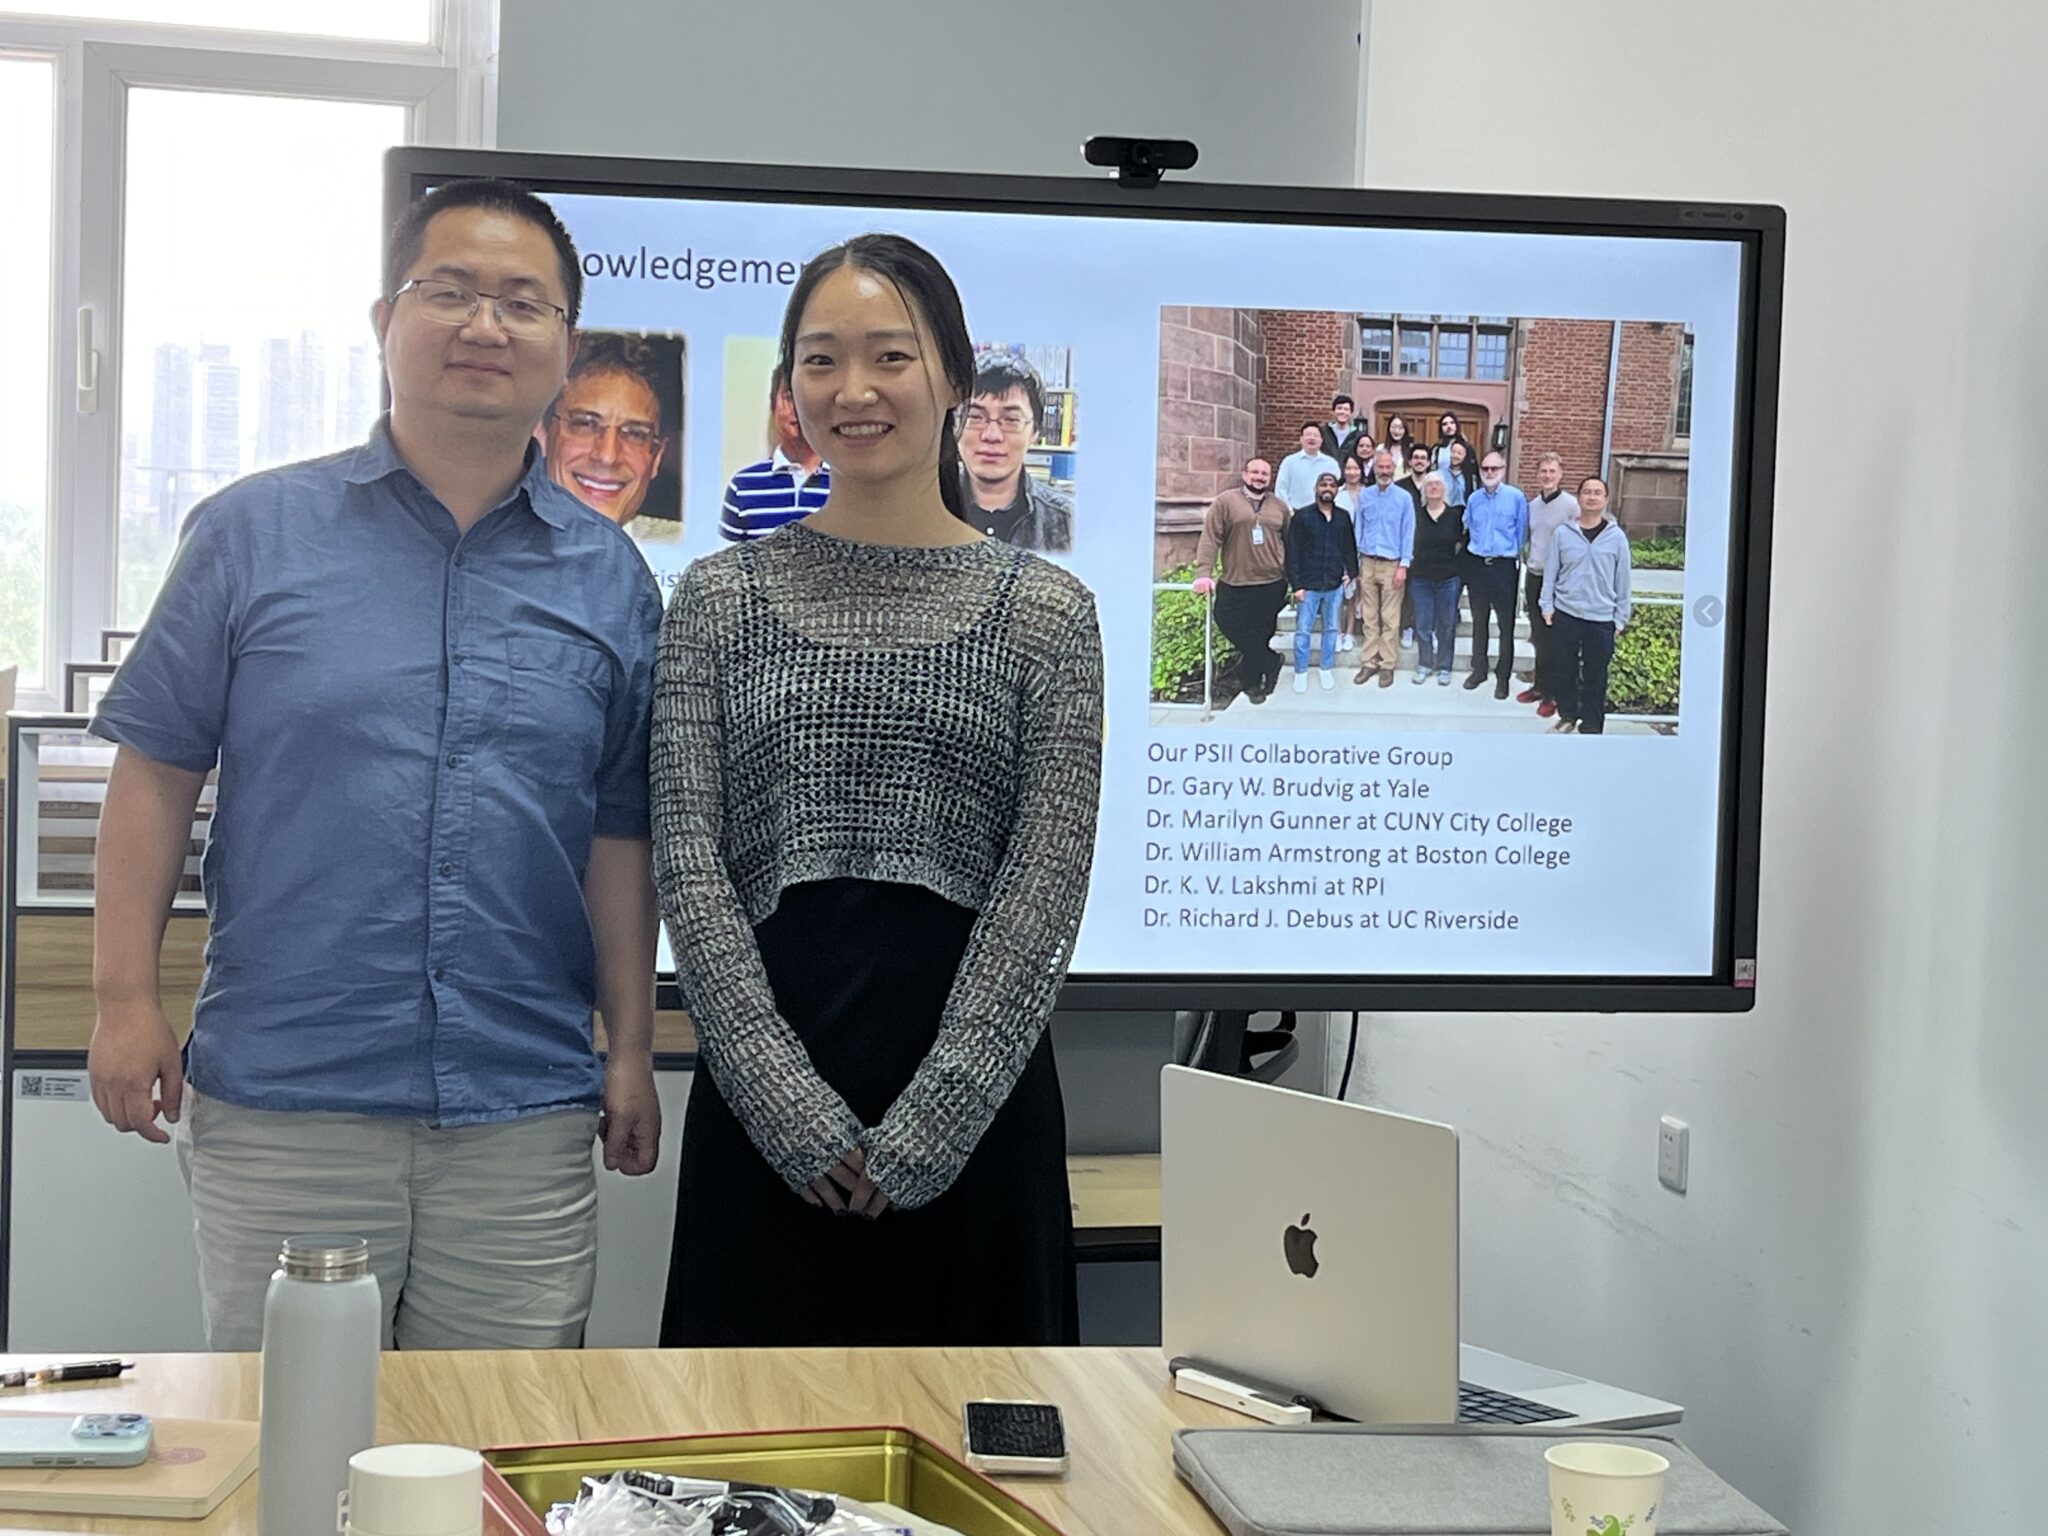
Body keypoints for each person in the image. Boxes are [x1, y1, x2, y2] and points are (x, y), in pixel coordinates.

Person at [85, 178, 663, 1351]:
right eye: (448, 291)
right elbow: (153, 774)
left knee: (493, 1469)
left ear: (563, 345)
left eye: (521, 302)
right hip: (288, 1097)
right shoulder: (252, 536)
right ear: (383, 321)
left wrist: (635, 1047)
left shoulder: (611, 580)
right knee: (294, 1451)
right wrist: (121, 1002)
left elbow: (616, 834)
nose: (483, 325)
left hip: (520, 1112)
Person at [651, 233, 1103, 1348]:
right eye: (819, 360)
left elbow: (1046, 881)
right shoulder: (715, 600)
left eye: (889, 357)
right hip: (765, 1119)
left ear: (951, 374)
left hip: (975, 1115)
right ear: (789, 387)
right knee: (737, 1483)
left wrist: (936, 1120)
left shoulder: (1048, 612)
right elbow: (688, 861)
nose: (853, 390)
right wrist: (786, 1107)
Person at [541, 332, 673, 528]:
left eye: (635, 434)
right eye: (585, 424)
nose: (607, 456)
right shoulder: (487, 543)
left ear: (658, 457)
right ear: (542, 434)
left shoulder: (683, 553)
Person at [1192, 458, 1290, 703]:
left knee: (1260, 634)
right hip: (1236, 581)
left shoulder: (1279, 506)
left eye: (1264, 474)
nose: (1259, 477)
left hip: (1271, 582)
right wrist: (1204, 572)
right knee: (1225, 619)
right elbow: (1210, 538)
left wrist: (1292, 577)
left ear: (1270, 478)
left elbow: (1289, 542)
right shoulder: (1226, 502)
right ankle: (1270, 660)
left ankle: (1253, 684)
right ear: (1245, 474)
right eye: (1255, 472)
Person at [955, 350, 1073, 552]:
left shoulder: (1068, 522)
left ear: (1035, 432)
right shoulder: (922, 510)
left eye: (1010, 419)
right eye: (975, 416)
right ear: (955, 426)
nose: (991, 435)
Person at [1542, 475, 1632, 734]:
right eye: (1587, 492)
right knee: (1564, 671)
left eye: (1597, 493)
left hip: (1601, 618)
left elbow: (1623, 580)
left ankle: (1592, 725)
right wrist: (1547, 606)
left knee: (1596, 677)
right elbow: (1551, 572)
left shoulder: (1616, 538)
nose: (1591, 497)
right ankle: (1568, 715)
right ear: (1579, 497)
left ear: (1605, 499)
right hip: (1567, 614)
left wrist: (1620, 618)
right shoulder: (1563, 533)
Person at [719, 377, 830, 541]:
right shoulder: (743, 486)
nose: (798, 409)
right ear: (773, 406)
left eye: (808, 398)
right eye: (789, 398)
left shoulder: (850, 486)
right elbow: (726, 563)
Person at [1461, 450, 1530, 698]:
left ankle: (1503, 676)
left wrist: (1510, 555)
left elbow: (1522, 533)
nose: (1489, 473)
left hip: (1503, 567)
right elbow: (1468, 527)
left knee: (1506, 624)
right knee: (1479, 621)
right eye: (1485, 469)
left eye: (1494, 468)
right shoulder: (1473, 499)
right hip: (1478, 565)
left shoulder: (1516, 498)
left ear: (1503, 470)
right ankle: (1479, 669)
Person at [1285, 471, 1357, 694]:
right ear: (1316, 488)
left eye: (1332, 485)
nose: (1327, 488)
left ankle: (1326, 668)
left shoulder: (1343, 517)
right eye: (1323, 484)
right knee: (1303, 631)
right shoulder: (1302, 517)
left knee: (1331, 629)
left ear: (1337, 490)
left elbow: (1349, 547)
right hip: (1308, 586)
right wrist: (1296, 584)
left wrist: (1351, 572)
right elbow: (1292, 552)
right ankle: (1301, 671)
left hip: (1334, 584)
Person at [1520, 452, 1579, 718]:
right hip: (1534, 575)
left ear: (1560, 474)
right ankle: (1539, 686)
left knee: (1554, 639)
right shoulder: (1532, 505)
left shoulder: (1570, 506)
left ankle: (1553, 694)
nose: (1547, 476)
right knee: (1539, 636)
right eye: (1543, 471)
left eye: (1552, 471)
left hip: (1558, 581)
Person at [1349, 449, 1413, 688]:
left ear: (1394, 468)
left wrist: (1404, 565)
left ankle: (1387, 664)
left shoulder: (1404, 498)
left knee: (1390, 618)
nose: (1384, 472)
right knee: (1369, 616)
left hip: (1392, 564)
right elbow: (1359, 529)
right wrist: (1356, 562)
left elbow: (1408, 533)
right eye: (1380, 467)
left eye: (1388, 467)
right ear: (1374, 469)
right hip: (1367, 561)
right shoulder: (1365, 496)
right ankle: (1368, 662)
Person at [1408, 472, 1465, 684]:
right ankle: (1424, 664)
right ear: (1424, 490)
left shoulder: (1455, 515)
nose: (1433, 488)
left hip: (1448, 579)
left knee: (1447, 624)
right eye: (1429, 484)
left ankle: (1444, 666)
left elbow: (1461, 542)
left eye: (1437, 484)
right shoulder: (1417, 515)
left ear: (1444, 489)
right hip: (1421, 578)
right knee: (1423, 625)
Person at [1332, 452, 1370, 652]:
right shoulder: (1337, 494)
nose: (1352, 472)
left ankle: (1350, 632)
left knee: (1355, 594)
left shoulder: (1369, 492)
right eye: (1348, 468)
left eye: (1356, 468)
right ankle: (1338, 632)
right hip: (1340, 550)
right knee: (1340, 593)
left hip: (1364, 550)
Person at [1275, 421, 1343, 510]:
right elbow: (1281, 489)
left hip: (1323, 513)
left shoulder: (1331, 463)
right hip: (1295, 512)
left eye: (1315, 435)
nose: (1312, 438)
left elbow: (1338, 490)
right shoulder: (1289, 462)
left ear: (1321, 440)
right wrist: (1289, 511)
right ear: (1301, 439)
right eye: (1308, 435)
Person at [1319, 394, 1368, 465]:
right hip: (1327, 473)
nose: (1342, 412)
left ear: (1351, 413)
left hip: (1349, 474)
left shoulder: (1358, 435)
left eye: (1346, 409)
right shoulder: (1323, 432)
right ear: (1333, 412)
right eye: (1339, 408)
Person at [1442, 437, 1478, 509]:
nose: (1455, 455)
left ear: (1465, 456)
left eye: (1459, 453)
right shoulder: (1441, 474)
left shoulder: (1470, 478)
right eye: (1453, 452)